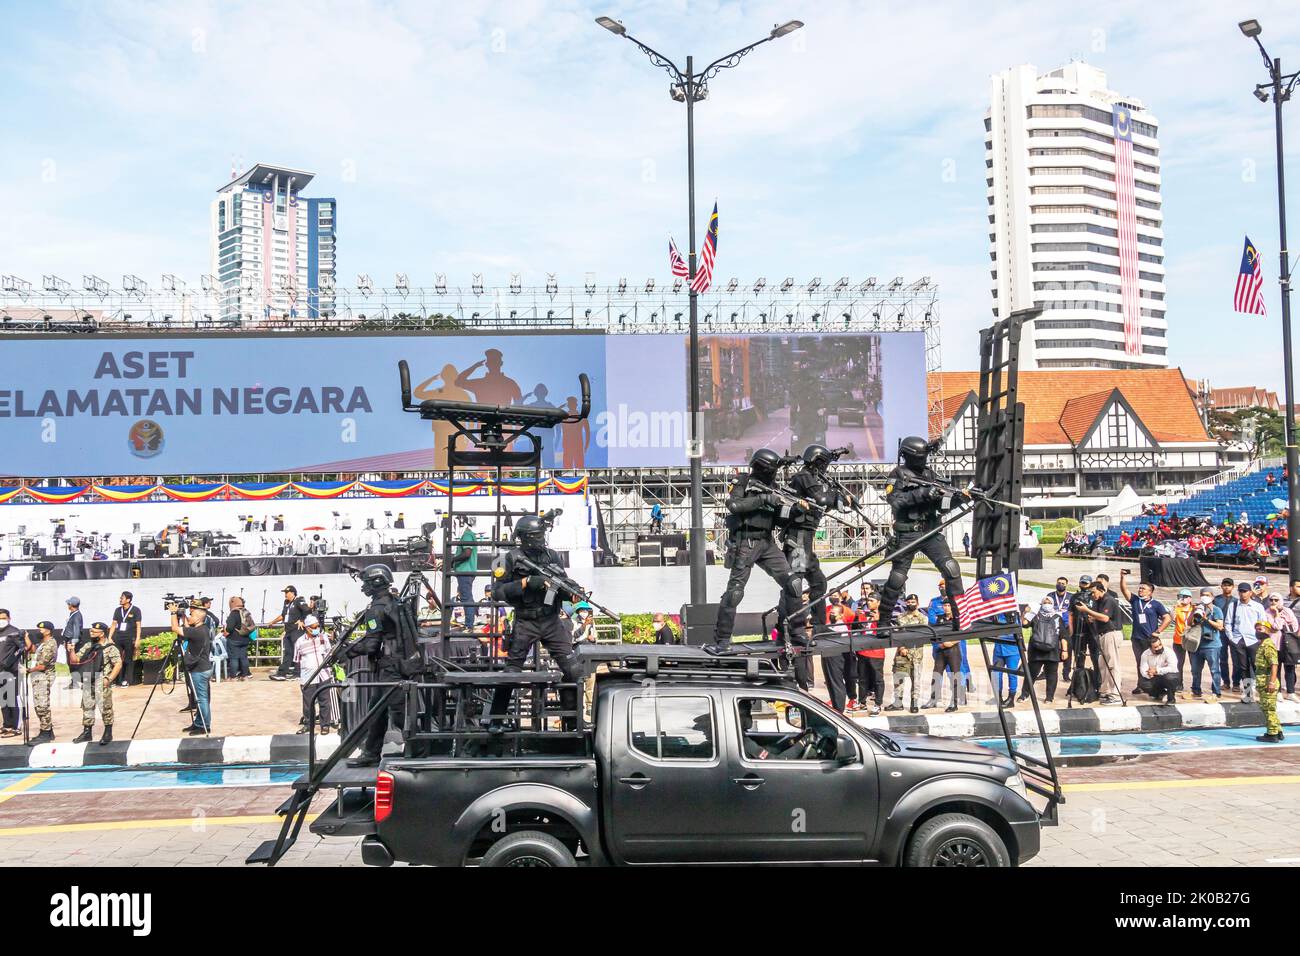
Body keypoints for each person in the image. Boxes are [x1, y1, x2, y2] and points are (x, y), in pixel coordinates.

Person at [488, 516, 583, 732]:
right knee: (511, 672)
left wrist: (574, 592)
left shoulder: (553, 556)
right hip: (525, 620)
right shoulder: (507, 559)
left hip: (551, 620)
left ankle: (571, 720)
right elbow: (496, 592)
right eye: (535, 536)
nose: (540, 539)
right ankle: (495, 720)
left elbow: (565, 581)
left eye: (541, 534)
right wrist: (526, 583)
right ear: (523, 537)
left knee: (572, 669)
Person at [711, 449, 802, 650]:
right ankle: (722, 639)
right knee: (735, 592)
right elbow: (734, 505)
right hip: (745, 542)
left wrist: (795, 510)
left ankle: (794, 632)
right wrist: (763, 499)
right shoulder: (742, 481)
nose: (774, 474)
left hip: (767, 542)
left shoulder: (774, 487)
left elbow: (779, 519)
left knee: (793, 584)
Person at [877, 436, 967, 624]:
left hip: (931, 531)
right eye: (920, 457)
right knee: (897, 578)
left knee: (951, 569)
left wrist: (960, 498)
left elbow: (942, 506)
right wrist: (922, 494)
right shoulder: (898, 474)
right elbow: (895, 501)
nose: (924, 460)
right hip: (908, 533)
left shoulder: (930, 474)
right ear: (909, 456)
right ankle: (884, 621)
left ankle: (960, 617)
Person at [345, 564, 416, 766]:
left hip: (389, 668)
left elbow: (371, 645)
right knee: (378, 710)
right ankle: (372, 752)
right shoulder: (395, 602)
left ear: (376, 582)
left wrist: (349, 650)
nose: (363, 588)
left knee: (398, 712)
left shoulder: (376, 610)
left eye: (366, 583)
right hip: (398, 664)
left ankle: (417, 747)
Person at [780, 443, 852, 637]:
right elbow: (820, 499)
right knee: (794, 585)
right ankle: (786, 626)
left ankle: (820, 626)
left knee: (818, 583)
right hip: (798, 537)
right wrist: (836, 496)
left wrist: (839, 501)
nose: (825, 468)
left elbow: (819, 507)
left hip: (806, 538)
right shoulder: (804, 477)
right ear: (818, 462)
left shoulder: (809, 478)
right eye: (824, 464)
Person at [1117, 570, 1170, 696]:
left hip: (1150, 639)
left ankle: (1156, 687)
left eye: (1143, 589)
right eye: (1140, 588)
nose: (1140, 590)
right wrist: (1122, 577)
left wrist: (1158, 631)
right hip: (1136, 638)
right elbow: (1124, 590)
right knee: (1140, 662)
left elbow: (1167, 618)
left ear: (1150, 592)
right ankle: (1141, 685)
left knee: (1154, 662)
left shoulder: (1156, 604)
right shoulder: (1135, 600)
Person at [69, 622, 121, 745]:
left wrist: (109, 679)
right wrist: (71, 650)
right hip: (88, 679)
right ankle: (87, 732)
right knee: (87, 706)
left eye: (94, 632)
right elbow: (75, 660)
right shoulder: (88, 645)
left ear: (102, 633)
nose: (91, 633)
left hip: (101, 680)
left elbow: (118, 664)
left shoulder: (110, 647)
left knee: (105, 707)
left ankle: (108, 732)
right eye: (91, 631)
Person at [1074, 579, 1125, 704]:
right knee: (1103, 665)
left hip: (1111, 634)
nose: (1092, 595)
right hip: (1102, 635)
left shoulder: (1108, 599)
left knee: (1112, 664)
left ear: (1101, 590)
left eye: (1094, 592)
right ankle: (1106, 691)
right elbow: (1099, 617)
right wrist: (1092, 618)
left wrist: (1087, 610)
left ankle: (1115, 694)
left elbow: (1105, 617)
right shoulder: (1099, 601)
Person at [167, 602, 212, 735]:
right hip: (203, 667)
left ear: (198, 618)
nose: (190, 617)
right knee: (200, 697)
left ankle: (204, 726)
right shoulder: (202, 628)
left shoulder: (197, 632)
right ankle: (198, 723)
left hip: (200, 670)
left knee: (201, 698)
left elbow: (175, 628)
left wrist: (173, 613)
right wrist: (183, 617)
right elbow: (187, 629)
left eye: (191, 615)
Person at [293, 615, 337, 734]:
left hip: (324, 675)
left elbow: (329, 653)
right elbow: (297, 660)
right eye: (314, 627)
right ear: (307, 628)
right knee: (308, 704)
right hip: (308, 677)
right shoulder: (300, 642)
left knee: (325, 701)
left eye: (318, 626)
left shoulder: (323, 638)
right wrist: (301, 679)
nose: (317, 628)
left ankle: (325, 725)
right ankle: (308, 724)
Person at [1021, 595, 1067, 703]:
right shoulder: (1035, 615)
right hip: (1036, 651)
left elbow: (1063, 635)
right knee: (1031, 674)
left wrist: (1065, 650)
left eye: (1049, 602)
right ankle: (1024, 694)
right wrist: (1025, 612)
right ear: (1041, 604)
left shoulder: (1057, 617)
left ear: (1053, 604)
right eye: (1045, 602)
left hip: (1052, 652)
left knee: (1051, 675)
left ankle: (1049, 697)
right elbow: (1024, 624)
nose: (1047, 604)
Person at [887, 595, 927, 713]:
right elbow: (898, 635)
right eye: (908, 601)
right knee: (898, 678)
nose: (910, 603)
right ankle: (898, 703)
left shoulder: (923, 618)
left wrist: (908, 648)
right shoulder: (900, 617)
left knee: (916, 680)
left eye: (913, 601)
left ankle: (914, 703)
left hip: (916, 654)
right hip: (902, 653)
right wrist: (902, 647)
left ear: (917, 603)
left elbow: (922, 635)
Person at [1225, 582, 1264, 703]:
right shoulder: (1234, 605)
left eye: (1245, 591)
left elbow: (1263, 623)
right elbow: (1227, 622)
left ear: (1250, 592)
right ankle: (1248, 694)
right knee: (1243, 667)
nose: (1243, 594)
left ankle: (1263, 692)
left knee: (1257, 666)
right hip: (1238, 639)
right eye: (1241, 591)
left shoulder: (1257, 606)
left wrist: (1260, 639)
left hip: (1253, 640)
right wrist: (1232, 638)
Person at [1187, 588, 1225, 702]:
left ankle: (1216, 692)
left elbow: (1220, 626)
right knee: (1195, 670)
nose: (1205, 597)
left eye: (1207, 595)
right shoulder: (1198, 608)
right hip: (1197, 644)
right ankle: (1196, 691)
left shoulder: (1216, 610)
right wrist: (1193, 611)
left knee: (1214, 670)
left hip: (1212, 645)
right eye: (1203, 595)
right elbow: (1189, 623)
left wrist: (1206, 619)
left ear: (1212, 597)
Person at [26, 621, 58, 745]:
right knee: (39, 704)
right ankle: (48, 731)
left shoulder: (50, 644)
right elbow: (33, 650)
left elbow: (42, 666)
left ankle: (45, 732)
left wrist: (28, 670)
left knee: (42, 705)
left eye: (41, 629)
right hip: (38, 677)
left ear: (48, 631)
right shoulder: (43, 643)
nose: (39, 631)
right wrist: (26, 637)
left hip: (43, 676)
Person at [1255, 610, 1284, 742]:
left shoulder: (1268, 645)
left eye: (1260, 629)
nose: (1257, 631)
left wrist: (1271, 682)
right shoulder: (1262, 644)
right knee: (1267, 706)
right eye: (1256, 629)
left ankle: (1272, 734)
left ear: (1267, 630)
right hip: (1262, 679)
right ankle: (1278, 730)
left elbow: (1274, 664)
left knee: (1268, 708)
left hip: (1267, 680)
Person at [268, 585, 307, 681]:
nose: (285, 595)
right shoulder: (286, 603)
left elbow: (307, 610)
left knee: (298, 652)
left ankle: (298, 674)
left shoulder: (299, 600)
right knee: (288, 653)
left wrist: (302, 620)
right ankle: (282, 674)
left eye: (287, 593)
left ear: (293, 593)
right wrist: (273, 622)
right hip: (288, 631)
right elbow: (283, 615)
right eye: (285, 593)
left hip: (297, 630)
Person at [110, 591, 142, 688]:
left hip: (129, 637)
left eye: (122, 598)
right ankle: (117, 680)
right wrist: (110, 637)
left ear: (128, 600)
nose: (120, 599)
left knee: (128, 659)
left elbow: (138, 625)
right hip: (118, 637)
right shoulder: (117, 610)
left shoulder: (136, 610)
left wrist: (137, 639)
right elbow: (114, 624)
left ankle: (126, 680)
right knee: (117, 659)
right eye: (120, 598)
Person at [452, 522, 480, 631]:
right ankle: (469, 624)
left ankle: (469, 625)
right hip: (466, 571)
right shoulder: (470, 535)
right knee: (465, 596)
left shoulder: (467, 535)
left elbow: (467, 553)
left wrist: (453, 560)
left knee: (466, 597)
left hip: (465, 571)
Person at [1138, 633, 1179, 704]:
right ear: (1150, 648)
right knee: (1143, 683)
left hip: (1168, 676)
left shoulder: (1168, 652)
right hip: (1155, 677)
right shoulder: (1145, 654)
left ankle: (1171, 698)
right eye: (1156, 647)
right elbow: (1143, 669)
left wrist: (1157, 670)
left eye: (1160, 645)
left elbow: (1173, 668)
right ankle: (1160, 693)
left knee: (1170, 677)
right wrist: (1149, 674)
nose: (1159, 648)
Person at [0, 611, 21, 737]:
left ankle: (15, 727)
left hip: (10, 671)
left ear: (9, 618)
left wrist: (10, 661)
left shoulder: (14, 631)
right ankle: (7, 725)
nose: (1, 620)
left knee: (11, 698)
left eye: (3, 618)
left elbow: (21, 649)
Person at [224, 596, 255, 681]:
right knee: (243, 658)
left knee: (234, 658)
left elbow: (229, 628)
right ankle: (244, 676)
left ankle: (233, 677)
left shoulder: (234, 613)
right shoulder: (245, 611)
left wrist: (225, 632)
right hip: (245, 638)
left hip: (234, 639)